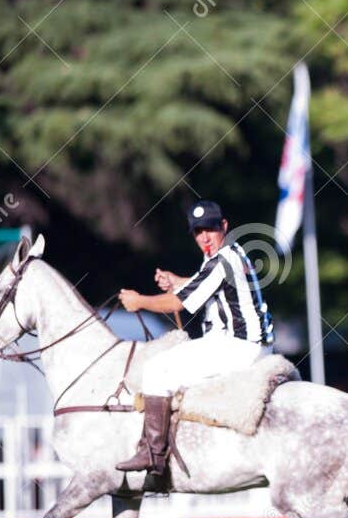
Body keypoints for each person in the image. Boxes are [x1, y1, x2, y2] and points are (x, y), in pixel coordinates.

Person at [115, 200, 276, 478]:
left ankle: (152, 454)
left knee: (156, 369)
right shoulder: (227, 254)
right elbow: (203, 282)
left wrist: (138, 301)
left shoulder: (222, 260)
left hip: (238, 347)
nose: (204, 237)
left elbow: (178, 304)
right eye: (198, 232)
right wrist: (177, 280)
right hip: (249, 345)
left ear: (223, 226)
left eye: (210, 229)